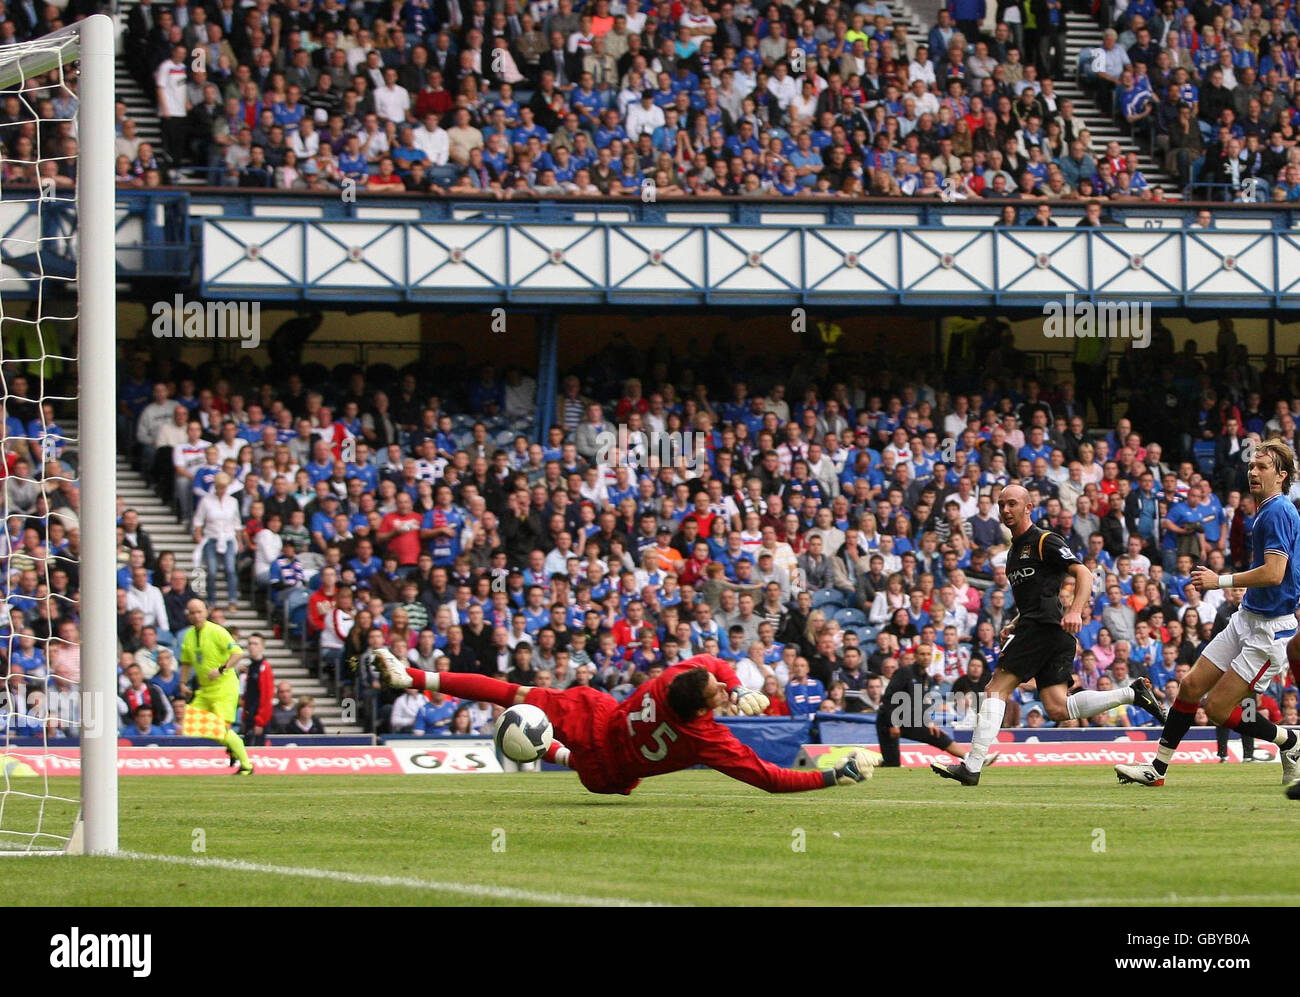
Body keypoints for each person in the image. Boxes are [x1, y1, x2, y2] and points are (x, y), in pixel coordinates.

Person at [373, 648, 879, 794]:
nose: (724, 686)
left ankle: (414, 675)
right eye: (720, 691)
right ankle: (410, 676)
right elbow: (770, 779)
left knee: (516, 694)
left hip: (600, 719)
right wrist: (835, 774)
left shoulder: (669, 682)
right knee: (522, 701)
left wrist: (739, 685)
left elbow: (707, 662)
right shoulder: (707, 738)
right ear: (705, 710)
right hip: (609, 774)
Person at [933, 484, 1166, 786]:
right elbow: (1039, 594)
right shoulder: (1014, 551)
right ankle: (1132, 693)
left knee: (995, 689)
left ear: (1028, 507)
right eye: (1001, 505)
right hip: (1045, 629)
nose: (1006, 510)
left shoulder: (1044, 540)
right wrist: (1016, 622)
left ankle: (972, 766)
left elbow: (1083, 573)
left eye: (1012, 504)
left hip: (1045, 628)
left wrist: (1076, 611)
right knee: (1058, 707)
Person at [1118, 440, 1300, 789]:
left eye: (1262, 467)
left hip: (1269, 632)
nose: (1253, 472)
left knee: (1217, 708)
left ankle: (1290, 742)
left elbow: (1275, 573)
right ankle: (1157, 770)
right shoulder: (1268, 509)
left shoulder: (1277, 511)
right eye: (1252, 466)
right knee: (1189, 687)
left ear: (1282, 475)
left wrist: (1221, 581)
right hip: (1248, 617)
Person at [877, 639, 991, 768]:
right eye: (922, 654)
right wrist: (894, 724)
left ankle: (971, 758)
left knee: (936, 734)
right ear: (915, 656)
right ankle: (864, 763)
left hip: (909, 720)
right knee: (892, 764)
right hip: (888, 721)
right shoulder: (904, 673)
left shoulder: (927, 679)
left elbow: (922, 704)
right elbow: (889, 698)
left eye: (928, 654)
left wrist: (929, 722)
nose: (925, 657)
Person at [179, 599, 254, 774]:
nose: (196, 616)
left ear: (206, 612)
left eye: (199, 612)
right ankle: (232, 746)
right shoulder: (189, 635)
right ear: (188, 615)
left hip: (224, 687)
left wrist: (221, 669)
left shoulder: (217, 631)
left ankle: (247, 765)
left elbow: (238, 653)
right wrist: (182, 683)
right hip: (205, 689)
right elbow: (186, 663)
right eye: (192, 613)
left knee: (221, 728)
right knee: (192, 724)